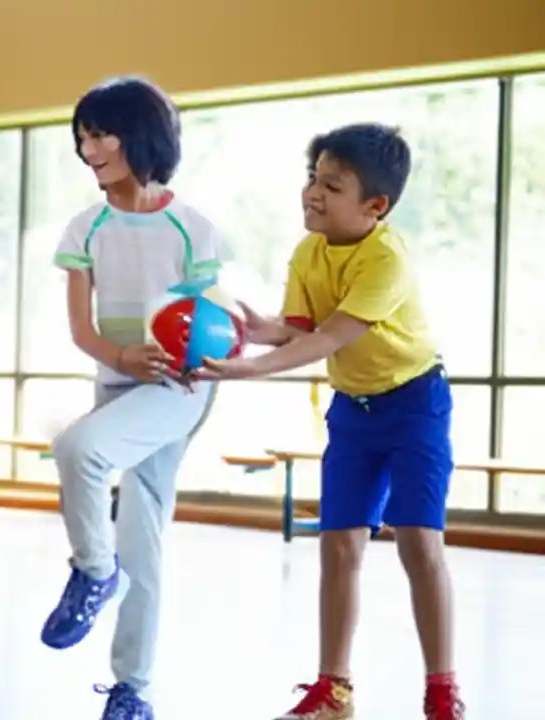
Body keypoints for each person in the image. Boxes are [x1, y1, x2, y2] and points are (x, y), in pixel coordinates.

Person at [196, 123, 465, 720]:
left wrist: (251, 370)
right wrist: (250, 329)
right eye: (312, 178)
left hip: (415, 405)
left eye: (332, 185)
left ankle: (442, 692)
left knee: (420, 544)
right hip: (353, 412)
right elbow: (298, 329)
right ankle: (333, 690)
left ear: (375, 206)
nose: (312, 194)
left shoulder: (386, 258)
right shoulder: (307, 252)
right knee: (339, 546)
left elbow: (332, 337)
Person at [39, 76, 224, 720]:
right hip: (117, 380)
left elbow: (204, 321)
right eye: (83, 136)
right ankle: (132, 690)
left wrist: (205, 349)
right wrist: (122, 359)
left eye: (101, 132)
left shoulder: (190, 227)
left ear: (141, 136)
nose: (90, 148)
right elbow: (81, 330)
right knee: (141, 537)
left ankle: (94, 571)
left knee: (79, 449)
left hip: (177, 390)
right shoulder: (85, 227)